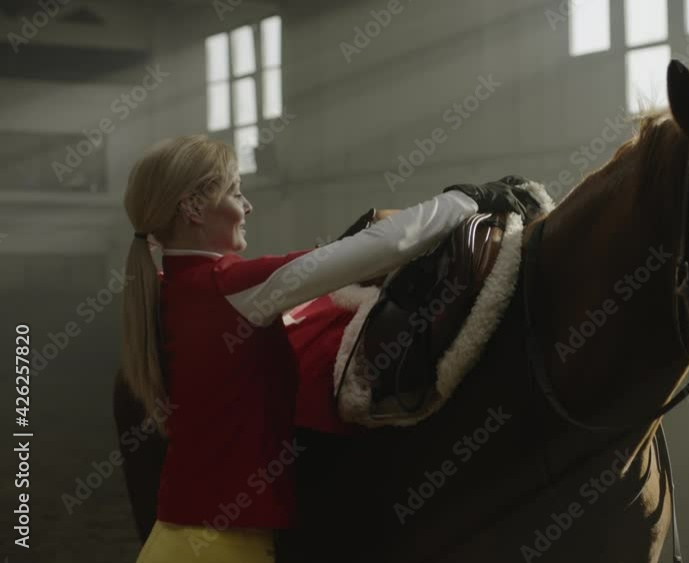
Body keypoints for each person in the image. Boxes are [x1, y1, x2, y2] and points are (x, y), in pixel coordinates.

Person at [120, 134, 540, 563]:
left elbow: (296, 284)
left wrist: (332, 255)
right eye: (235, 193)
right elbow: (388, 247)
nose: (246, 207)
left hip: (177, 540)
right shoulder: (227, 287)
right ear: (191, 208)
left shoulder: (172, 289)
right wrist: (466, 199)